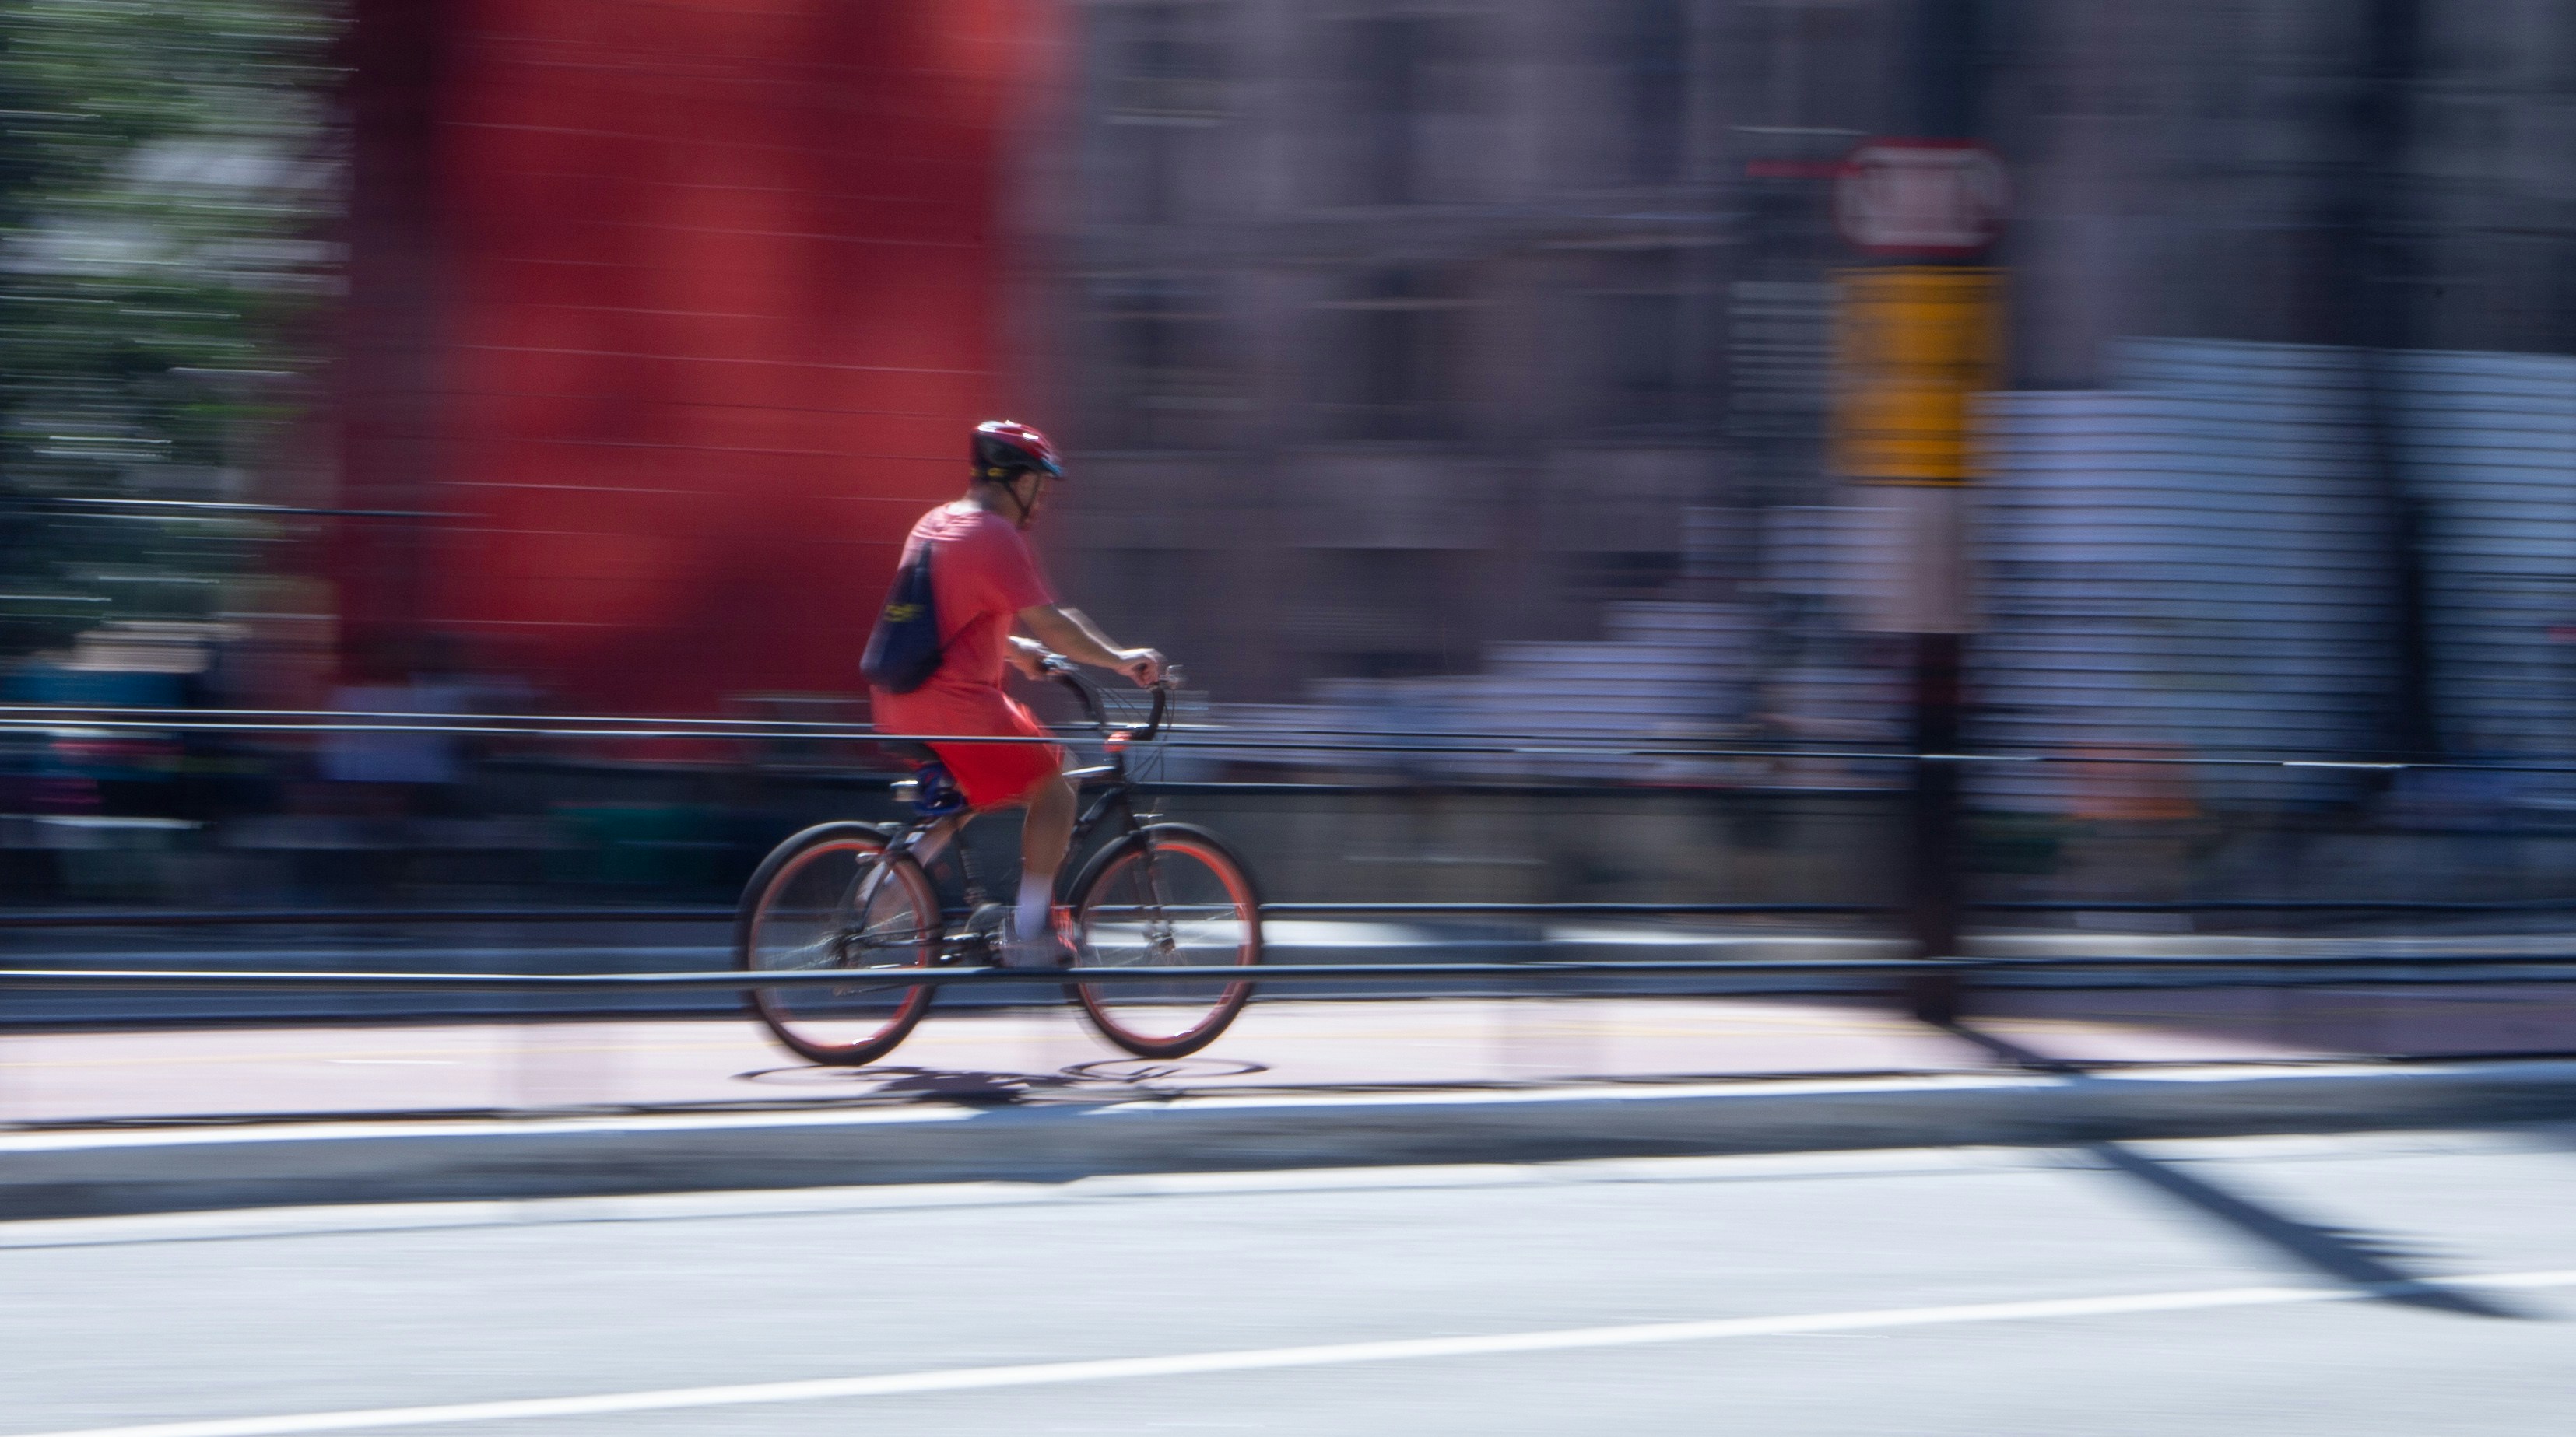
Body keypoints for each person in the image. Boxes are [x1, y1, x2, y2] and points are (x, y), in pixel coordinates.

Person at [869, 420, 1166, 968]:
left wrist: (1014, 648)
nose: (1042, 499)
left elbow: (945, 620)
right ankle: (1031, 929)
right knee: (1055, 783)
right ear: (1016, 480)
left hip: (898, 699)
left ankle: (894, 876)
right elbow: (1057, 624)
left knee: (972, 785)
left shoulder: (935, 523)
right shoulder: (994, 534)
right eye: (1040, 485)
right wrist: (1121, 659)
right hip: (957, 706)